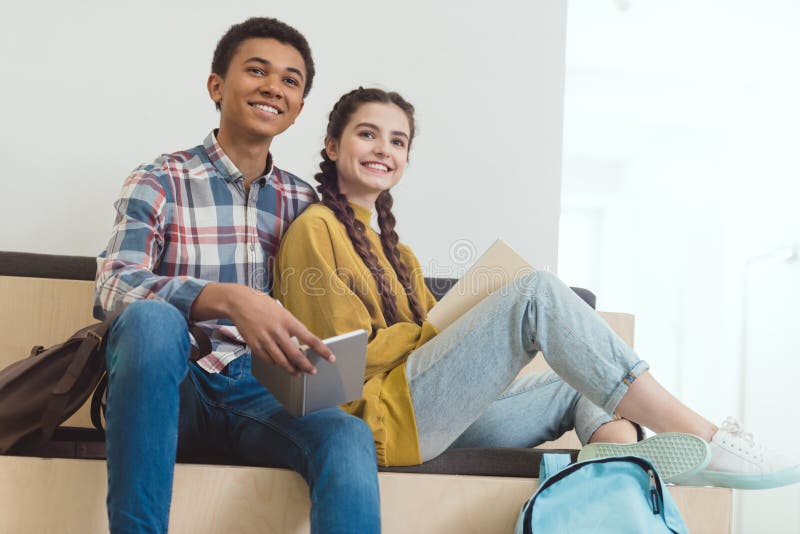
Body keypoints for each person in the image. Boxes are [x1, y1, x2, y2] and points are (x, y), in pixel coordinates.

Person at [274, 86, 800, 490]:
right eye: (368, 134)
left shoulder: (397, 250)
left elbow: (431, 338)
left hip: (429, 414)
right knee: (538, 291)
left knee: (582, 381)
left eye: (397, 141)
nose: (383, 149)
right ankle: (706, 437)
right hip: (378, 420)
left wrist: (455, 327)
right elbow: (341, 359)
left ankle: (625, 469)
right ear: (332, 145)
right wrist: (450, 332)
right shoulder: (315, 229)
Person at [94, 19, 380, 534]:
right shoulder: (160, 179)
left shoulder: (305, 204)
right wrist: (224, 298)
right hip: (173, 385)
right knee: (152, 322)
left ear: (298, 107)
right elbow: (113, 285)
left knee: (347, 435)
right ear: (216, 86)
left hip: (261, 394)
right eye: (257, 71)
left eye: (290, 80)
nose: (274, 87)